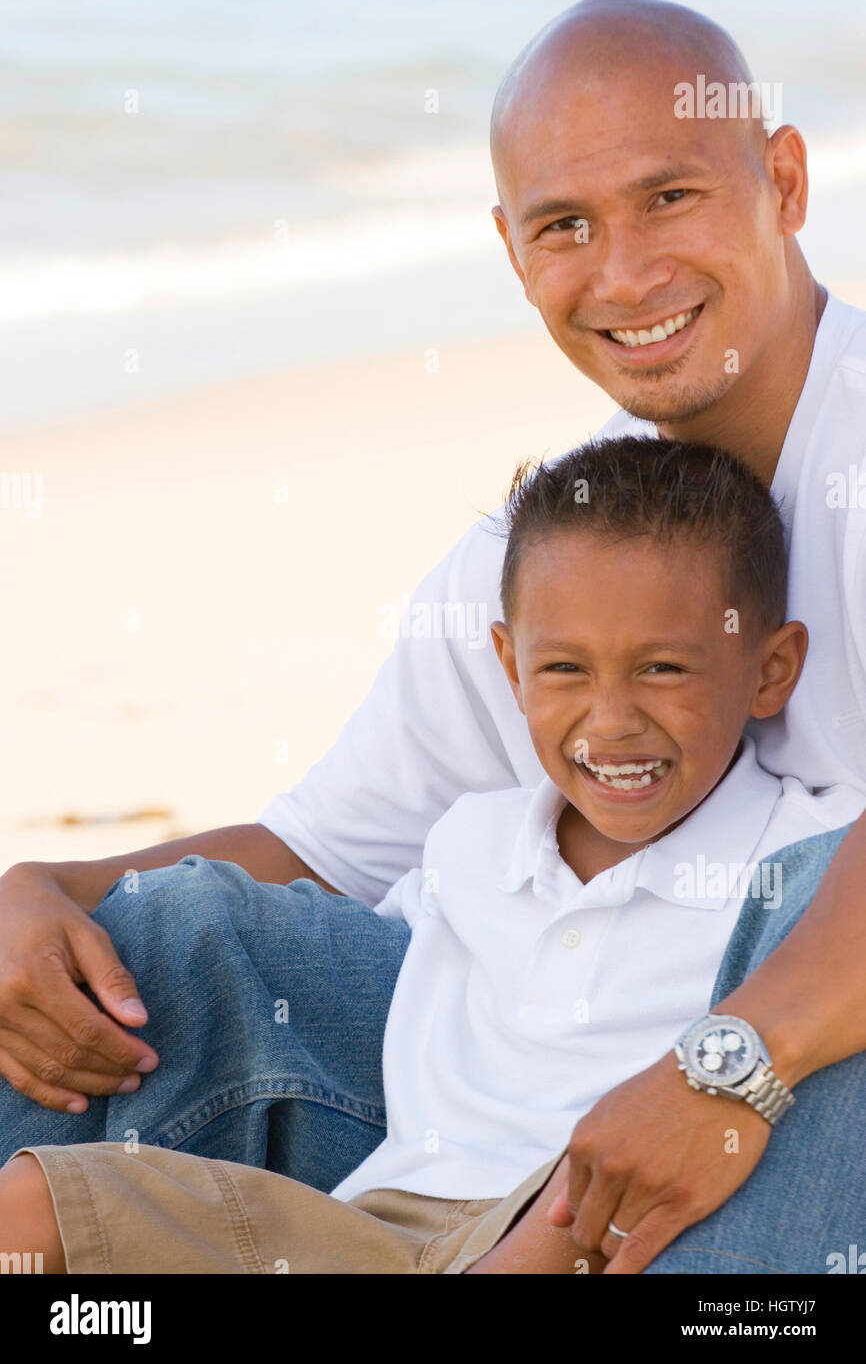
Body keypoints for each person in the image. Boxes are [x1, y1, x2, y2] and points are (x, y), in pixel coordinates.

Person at [1, 0, 865, 1274]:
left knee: (810, 903)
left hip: (791, 1141)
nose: (623, 273)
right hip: (527, 1149)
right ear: (513, 255)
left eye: (668, 197)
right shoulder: (544, 564)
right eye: (565, 226)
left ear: (781, 181)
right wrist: (48, 893)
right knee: (139, 952)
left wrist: (727, 1064)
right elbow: (323, 848)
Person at [1, 437, 863, 1274]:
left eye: (664, 668)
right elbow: (304, 898)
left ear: (771, 670)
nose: (611, 720)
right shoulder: (470, 844)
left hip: (590, 1228)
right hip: (374, 1230)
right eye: (564, 668)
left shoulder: (804, 855)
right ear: (508, 667)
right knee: (33, 1207)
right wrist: (49, 882)